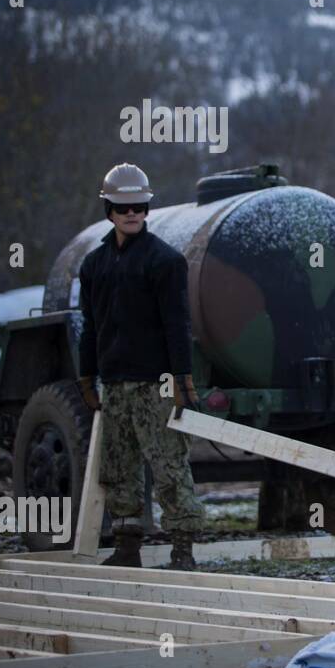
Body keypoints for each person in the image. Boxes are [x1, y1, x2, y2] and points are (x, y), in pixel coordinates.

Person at [77, 163, 205, 568]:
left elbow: (177, 325)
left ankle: (183, 551)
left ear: (147, 208)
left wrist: (182, 379)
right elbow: (90, 326)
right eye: (123, 207)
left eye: (139, 206)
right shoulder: (94, 265)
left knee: (168, 464)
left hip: (157, 383)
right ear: (109, 210)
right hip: (114, 383)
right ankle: (127, 547)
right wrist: (86, 375)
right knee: (118, 467)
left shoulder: (165, 262)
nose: (132, 213)